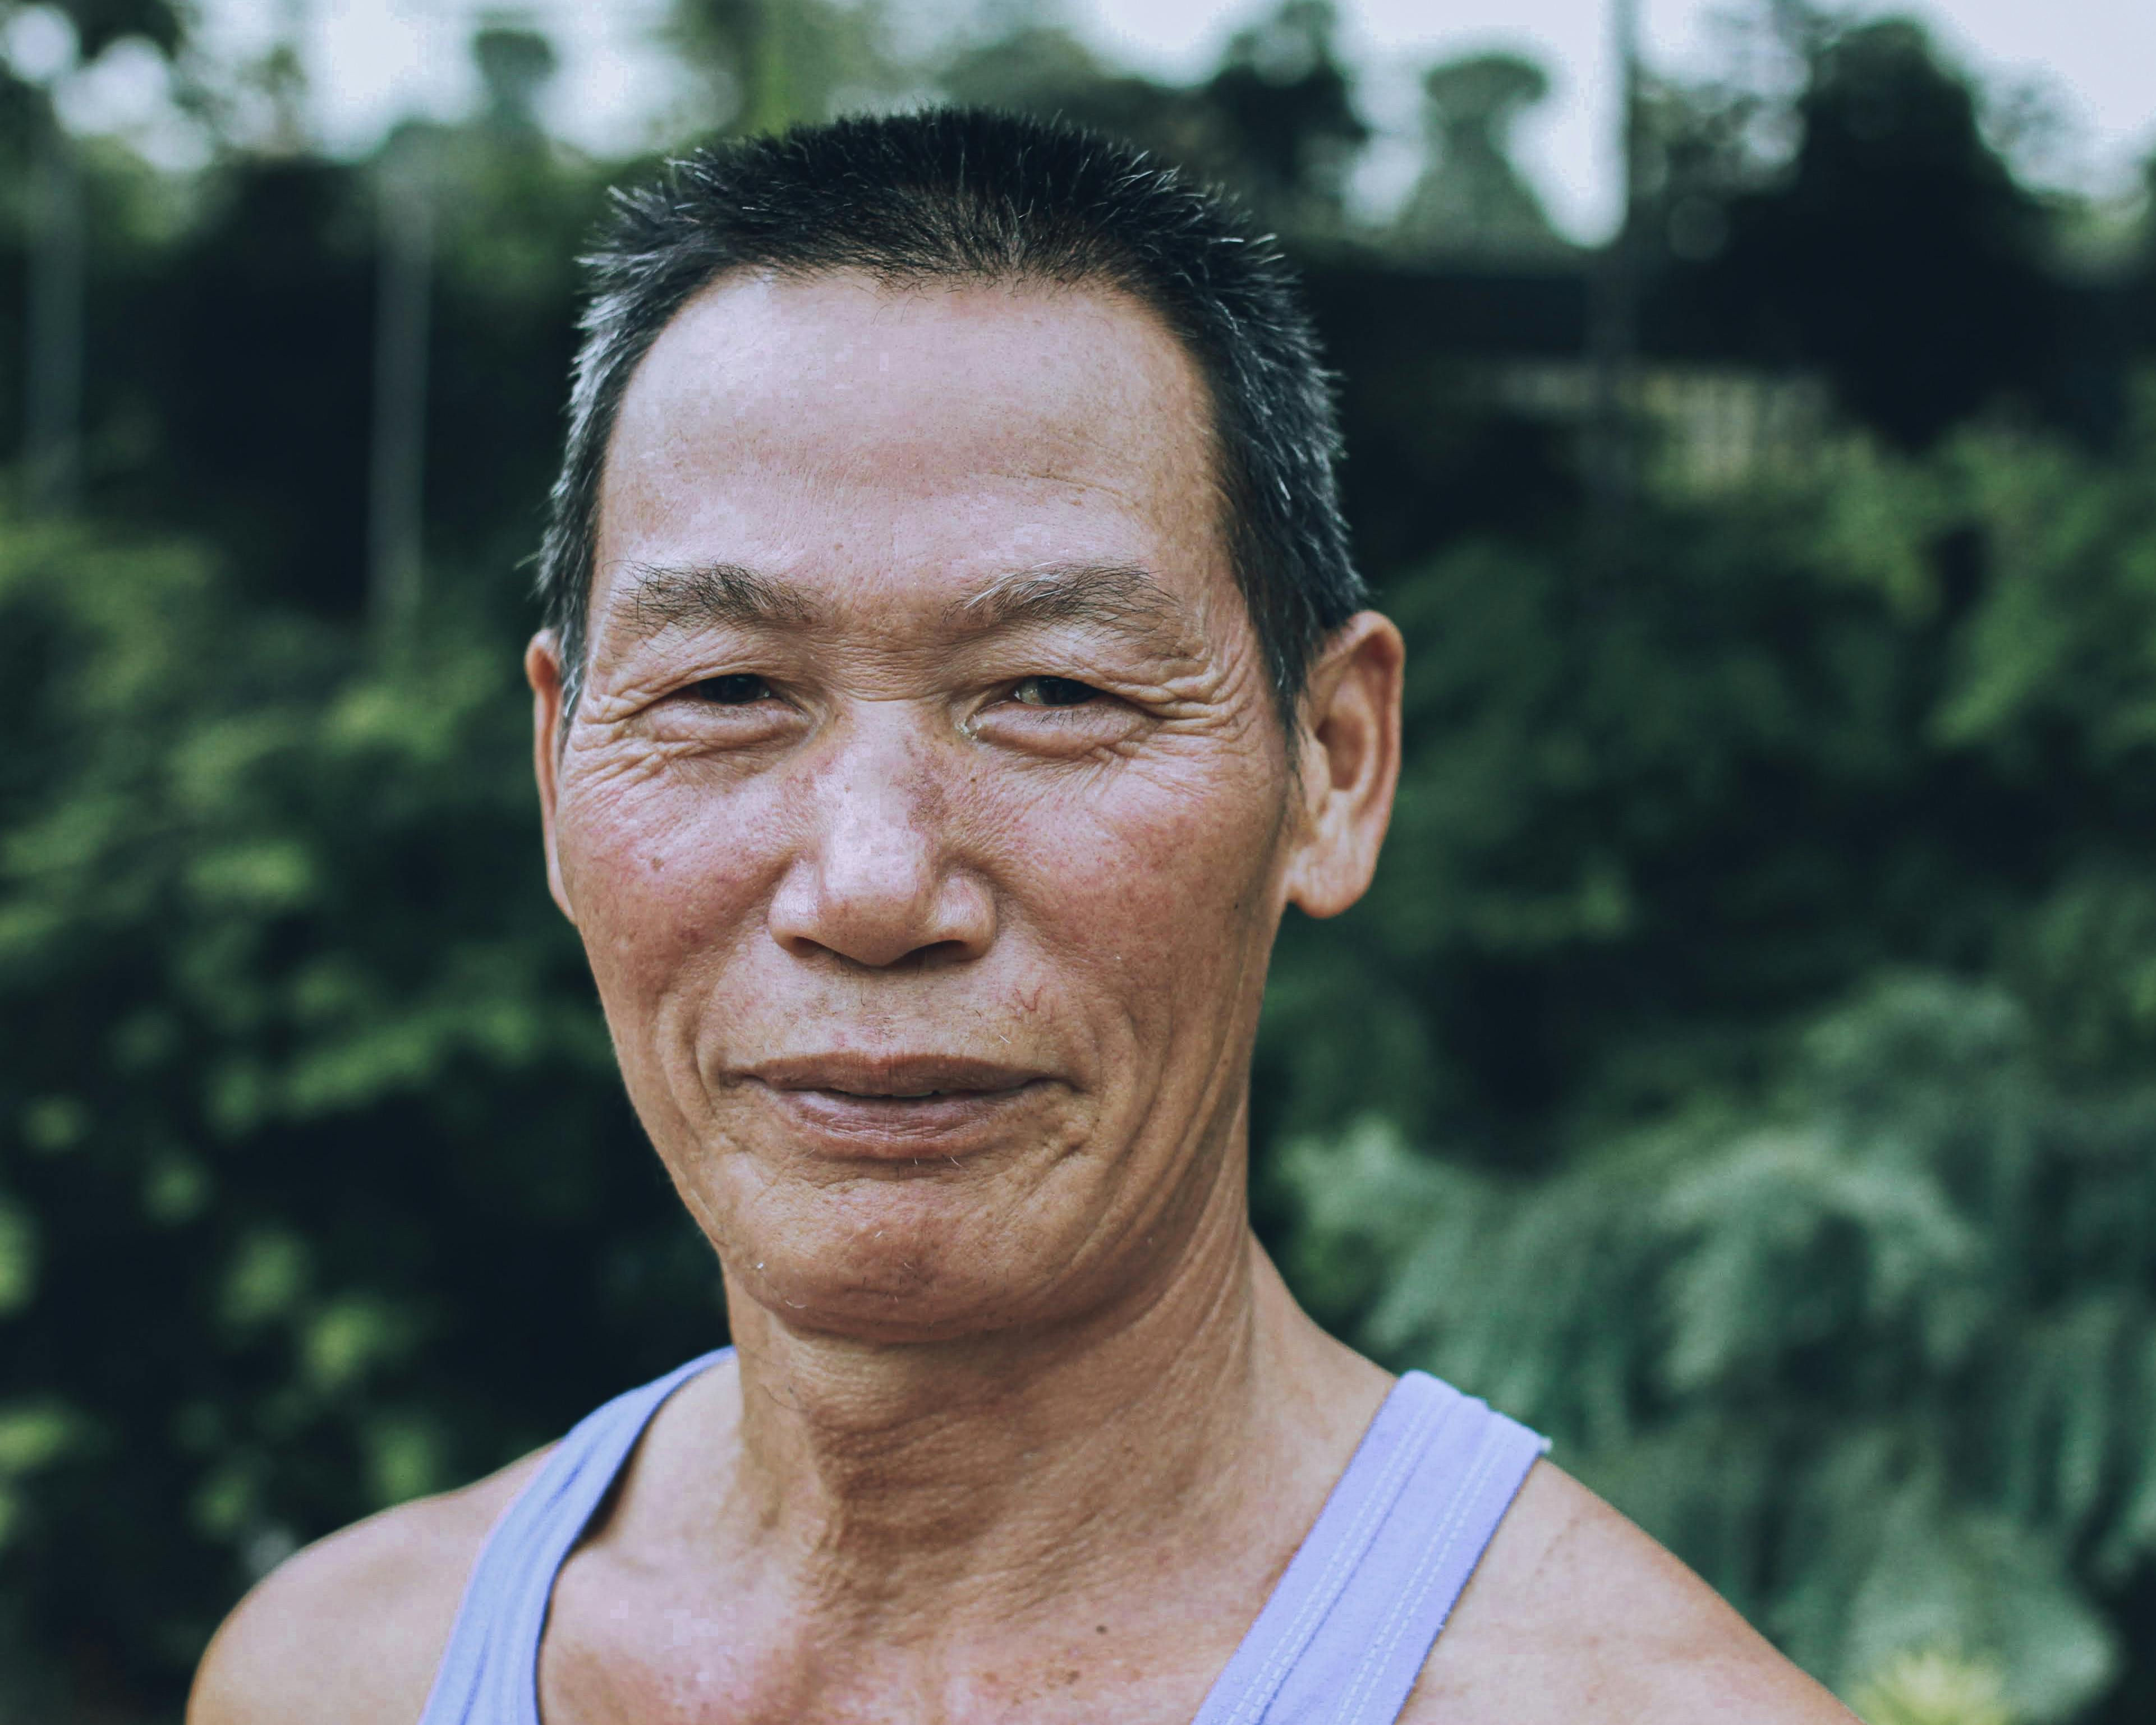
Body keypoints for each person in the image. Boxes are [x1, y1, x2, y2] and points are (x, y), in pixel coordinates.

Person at [189, 109, 1852, 1724]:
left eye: (1053, 691)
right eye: (728, 690)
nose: (871, 887)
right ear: (559, 775)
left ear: (1333, 765)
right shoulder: (343, 1677)